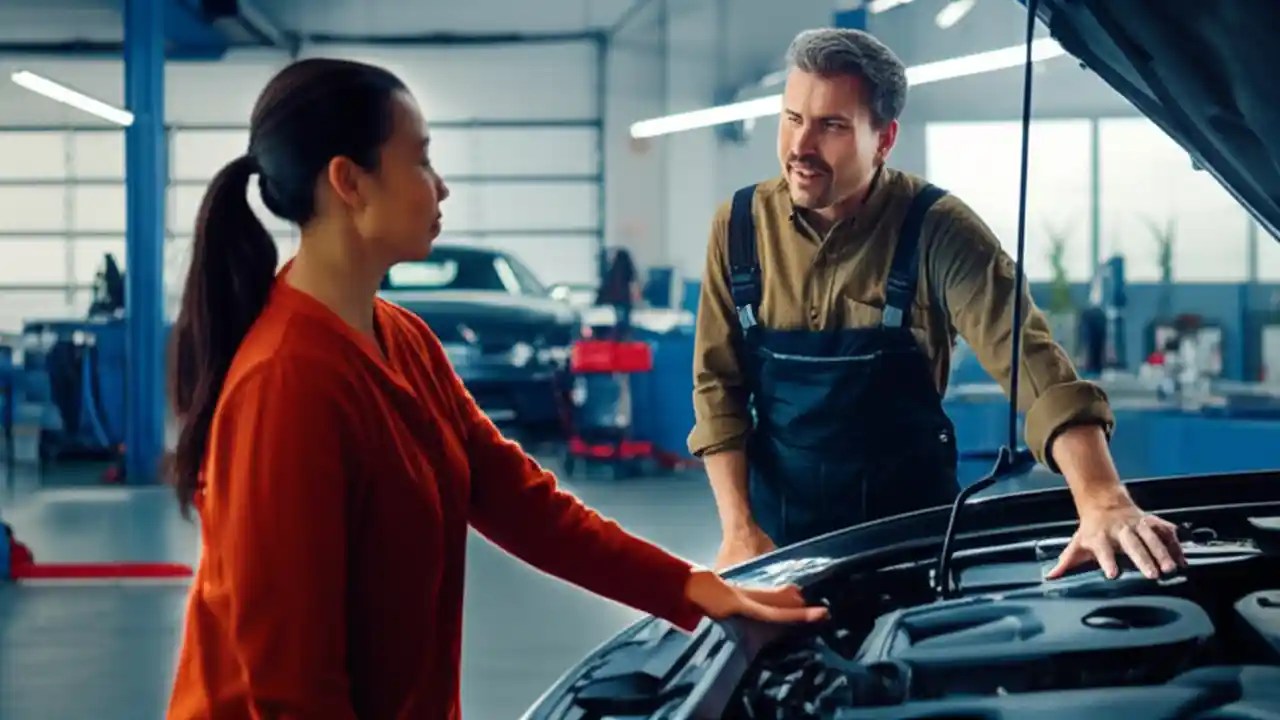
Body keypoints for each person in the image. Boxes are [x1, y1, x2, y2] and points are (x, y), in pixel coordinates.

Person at [164, 58, 827, 720]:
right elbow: (290, 689)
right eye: (420, 161)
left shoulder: (403, 338)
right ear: (350, 182)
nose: (441, 187)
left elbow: (522, 504)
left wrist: (692, 589)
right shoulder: (287, 385)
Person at [690, 28, 1188, 581]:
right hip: (774, 542)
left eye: (832, 125)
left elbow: (1032, 361)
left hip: (912, 540)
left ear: (884, 139)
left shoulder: (938, 230)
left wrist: (1102, 497)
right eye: (791, 118)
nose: (800, 147)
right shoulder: (736, 229)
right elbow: (718, 389)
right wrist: (738, 531)